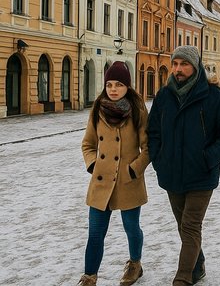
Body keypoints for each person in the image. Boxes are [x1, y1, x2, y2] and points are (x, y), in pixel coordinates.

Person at [148, 46, 220, 286]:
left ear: (195, 66)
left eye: (183, 64)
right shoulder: (163, 96)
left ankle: (183, 278)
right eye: (175, 64)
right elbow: (153, 132)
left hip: (201, 175)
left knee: (190, 225)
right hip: (171, 173)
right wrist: (159, 159)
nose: (178, 69)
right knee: (183, 226)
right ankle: (197, 266)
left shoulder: (214, 96)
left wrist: (208, 158)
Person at [78, 61, 149, 286]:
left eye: (118, 84)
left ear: (127, 86)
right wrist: (92, 165)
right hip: (102, 180)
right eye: (109, 84)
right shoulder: (98, 109)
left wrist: (134, 169)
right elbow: (88, 144)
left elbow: (149, 148)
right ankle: (89, 276)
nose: (113, 89)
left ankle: (135, 264)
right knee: (95, 233)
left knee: (131, 228)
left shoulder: (137, 110)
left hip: (128, 180)